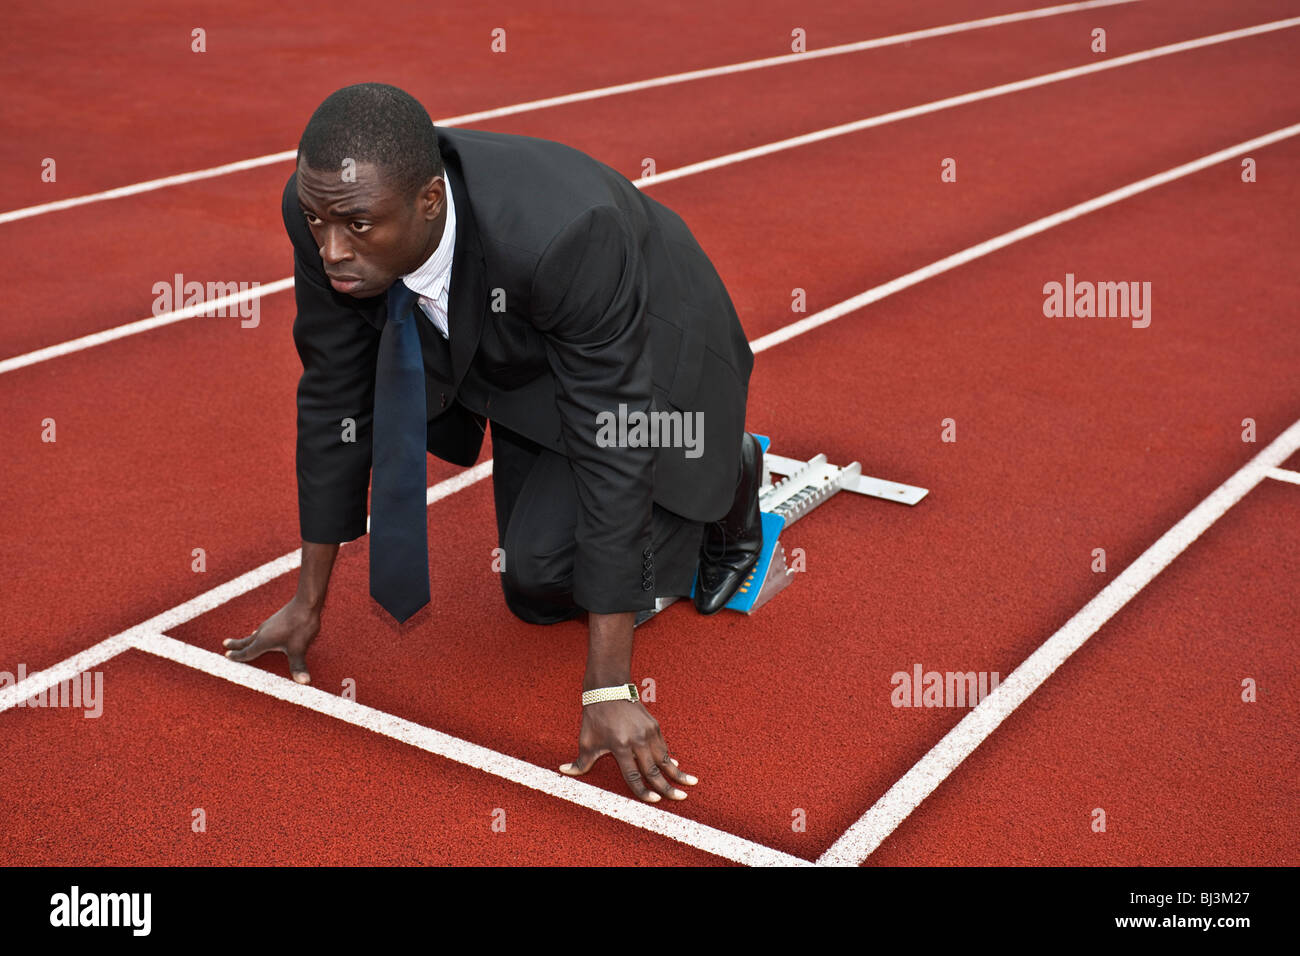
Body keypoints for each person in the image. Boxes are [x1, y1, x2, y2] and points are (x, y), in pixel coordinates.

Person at [223, 83, 763, 804]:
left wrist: (609, 686)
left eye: (354, 226)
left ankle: (728, 471)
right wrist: (306, 601)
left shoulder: (566, 234)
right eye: (317, 221)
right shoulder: (327, 210)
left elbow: (612, 445)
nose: (330, 249)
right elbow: (332, 397)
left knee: (612, 525)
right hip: (510, 342)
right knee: (536, 587)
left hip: (654, 343)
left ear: (428, 201)